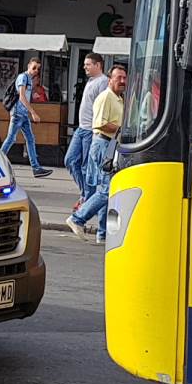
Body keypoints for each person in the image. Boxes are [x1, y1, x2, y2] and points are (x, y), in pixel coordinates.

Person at [67, 64, 127, 244]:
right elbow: (100, 123)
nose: (122, 81)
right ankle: (78, 218)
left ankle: (102, 234)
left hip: (110, 144)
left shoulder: (118, 98)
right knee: (106, 189)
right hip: (103, 144)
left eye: (124, 78)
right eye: (119, 78)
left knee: (105, 188)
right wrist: (124, 130)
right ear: (110, 80)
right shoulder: (105, 97)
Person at [64, 53, 108, 207]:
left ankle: (86, 199)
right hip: (81, 128)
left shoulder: (103, 82)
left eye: (88, 64)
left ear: (98, 65)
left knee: (85, 167)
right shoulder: (91, 81)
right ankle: (85, 194)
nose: (85, 67)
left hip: (91, 130)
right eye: (84, 64)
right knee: (70, 160)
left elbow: (101, 107)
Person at [0, 56, 51, 177]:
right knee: (11, 138)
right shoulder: (23, 77)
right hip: (18, 113)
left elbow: (25, 97)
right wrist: (33, 112)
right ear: (28, 66)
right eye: (34, 68)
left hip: (22, 114)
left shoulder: (28, 78)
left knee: (30, 139)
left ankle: (36, 168)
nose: (36, 71)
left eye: (38, 69)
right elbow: (22, 97)